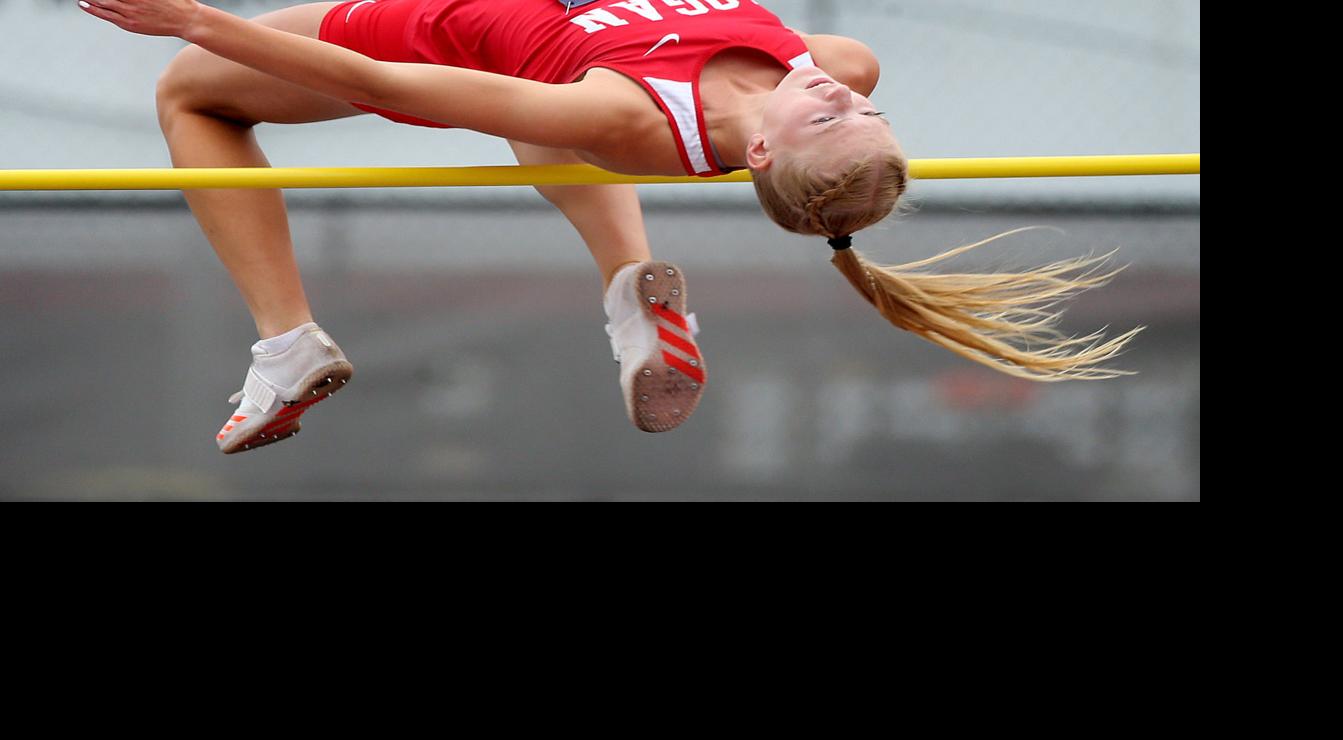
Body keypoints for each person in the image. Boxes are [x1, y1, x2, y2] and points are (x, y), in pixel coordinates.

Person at [79, 0, 1143, 454]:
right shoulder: (834, 62)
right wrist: (829, 101)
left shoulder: (622, 116)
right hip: (574, 53)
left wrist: (195, 21)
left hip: (461, 31)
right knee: (556, 109)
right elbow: (827, 81)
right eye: (864, 109)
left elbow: (379, 78)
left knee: (195, 94)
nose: (845, 91)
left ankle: (287, 339)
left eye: (832, 114)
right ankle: (630, 286)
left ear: (759, 155)